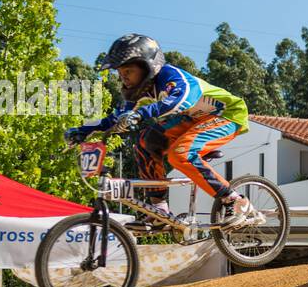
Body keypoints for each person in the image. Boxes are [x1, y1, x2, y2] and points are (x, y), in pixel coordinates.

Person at [64, 34, 260, 223]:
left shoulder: (172, 76)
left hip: (226, 114)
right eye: (121, 74)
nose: (124, 78)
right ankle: (160, 210)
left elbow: (181, 100)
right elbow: (114, 119)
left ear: (147, 65)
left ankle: (234, 200)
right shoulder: (141, 92)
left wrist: (141, 114)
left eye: (128, 71)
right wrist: (83, 130)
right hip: (192, 118)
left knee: (180, 153)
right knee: (144, 142)